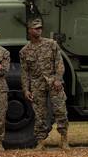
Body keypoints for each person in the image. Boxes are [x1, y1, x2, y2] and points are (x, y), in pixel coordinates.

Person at [20, 17, 68, 149]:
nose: (39, 31)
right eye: (36, 29)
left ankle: (64, 139)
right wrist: (26, 89)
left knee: (60, 110)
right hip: (37, 84)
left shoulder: (51, 44)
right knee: (40, 113)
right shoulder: (24, 51)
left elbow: (59, 63)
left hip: (54, 83)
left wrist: (58, 79)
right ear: (29, 30)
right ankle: (41, 141)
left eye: (40, 28)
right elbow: (25, 72)